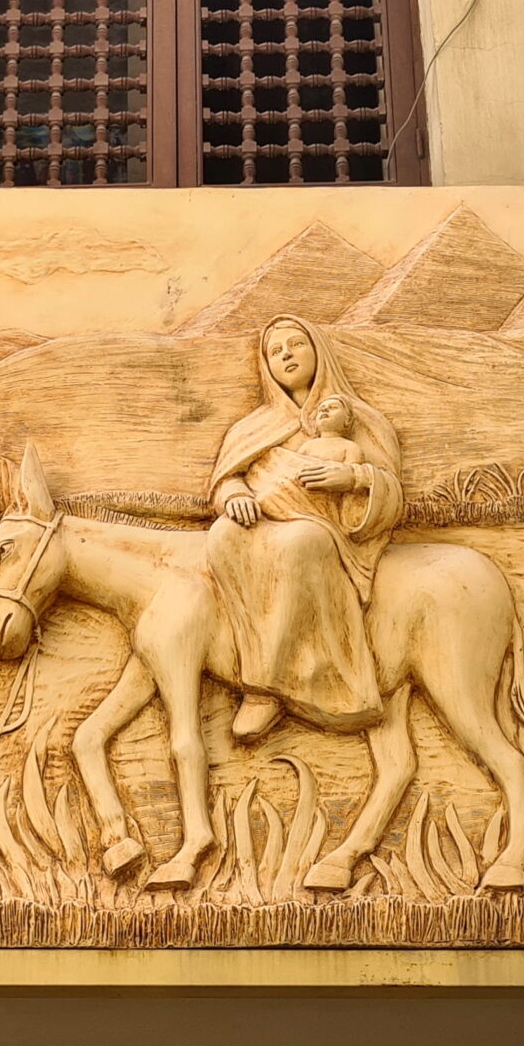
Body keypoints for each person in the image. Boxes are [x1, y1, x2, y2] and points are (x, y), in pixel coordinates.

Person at [204, 314, 405, 741]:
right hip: (261, 521)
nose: (286, 355)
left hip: (325, 532)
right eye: (275, 352)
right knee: (221, 534)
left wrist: (352, 479)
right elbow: (227, 478)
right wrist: (234, 495)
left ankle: (267, 686)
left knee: (302, 541)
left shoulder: (359, 421)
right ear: (266, 367)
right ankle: (246, 658)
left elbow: (390, 490)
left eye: (296, 344)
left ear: (319, 349)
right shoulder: (252, 428)